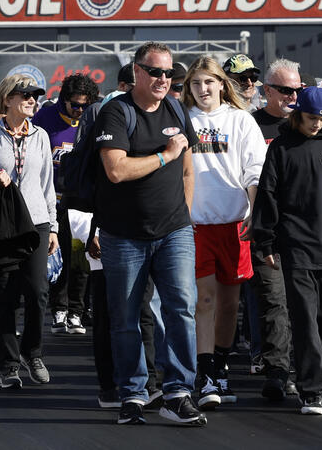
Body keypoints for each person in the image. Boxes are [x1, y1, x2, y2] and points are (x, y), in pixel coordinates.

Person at [93, 41, 205, 427]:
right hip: (124, 234)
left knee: (181, 309)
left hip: (174, 231)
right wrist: (164, 156)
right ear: (137, 72)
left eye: (169, 73)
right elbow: (116, 170)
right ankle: (133, 394)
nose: (163, 79)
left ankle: (178, 393)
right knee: (126, 318)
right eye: (155, 72)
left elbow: (188, 169)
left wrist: (183, 215)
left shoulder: (176, 108)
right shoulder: (116, 112)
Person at [252, 86, 322, 417]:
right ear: (299, 113)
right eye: (312, 117)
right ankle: (313, 390)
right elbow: (268, 194)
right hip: (295, 245)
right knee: (305, 318)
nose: (316, 124)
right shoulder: (281, 147)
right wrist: (265, 240)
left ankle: (306, 360)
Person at [182, 57, 267, 409]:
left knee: (230, 305)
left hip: (234, 224)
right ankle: (204, 374)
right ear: (189, 87)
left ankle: (220, 365)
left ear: (221, 84)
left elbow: (254, 169)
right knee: (204, 301)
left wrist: (254, 213)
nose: (203, 89)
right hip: (195, 225)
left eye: (209, 82)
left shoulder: (240, 120)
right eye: (196, 83)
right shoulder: (182, 118)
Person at [0, 74, 59, 390]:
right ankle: (8, 364)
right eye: (25, 94)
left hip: (36, 223)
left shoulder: (41, 136)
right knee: (4, 295)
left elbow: (48, 185)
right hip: (2, 225)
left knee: (38, 292)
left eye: (35, 95)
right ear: (7, 100)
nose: (32, 99)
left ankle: (32, 353)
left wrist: (54, 227)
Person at [248, 57, 303, 398]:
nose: (292, 96)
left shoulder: (310, 124)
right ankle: (278, 370)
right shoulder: (250, 125)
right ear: (267, 91)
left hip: (306, 232)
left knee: (309, 304)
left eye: (298, 89)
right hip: (266, 230)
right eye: (285, 90)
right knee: (274, 302)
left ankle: (301, 364)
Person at [33, 73, 98, 335]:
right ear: (64, 100)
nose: (79, 110)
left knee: (80, 259)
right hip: (53, 202)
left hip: (81, 202)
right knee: (57, 257)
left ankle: (76, 311)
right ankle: (58, 309)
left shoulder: (93, 120)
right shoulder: (45, 118)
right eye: (75, 105)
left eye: (85, 105)